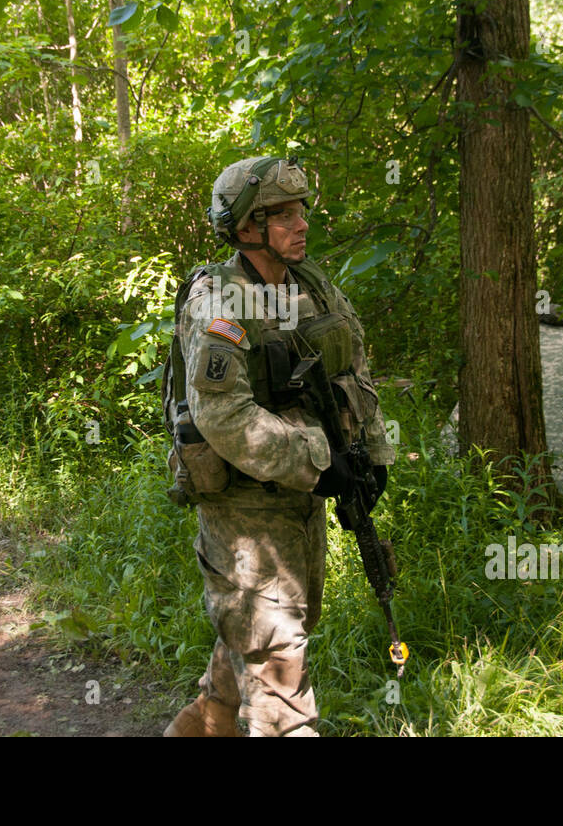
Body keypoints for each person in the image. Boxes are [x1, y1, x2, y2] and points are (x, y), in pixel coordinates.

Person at [163, 156, 393, 737]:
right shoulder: (218, 303)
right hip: (244, 508)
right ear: (244, 228)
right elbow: (224, 415)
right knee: (276, 652)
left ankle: (203, 725)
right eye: (281, 214)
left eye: (301, 211)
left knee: (270, 630)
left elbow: (357, 374)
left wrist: (371, 456)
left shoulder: (313, 288)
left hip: (302, 495)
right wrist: (320, 464)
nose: (300, 224)